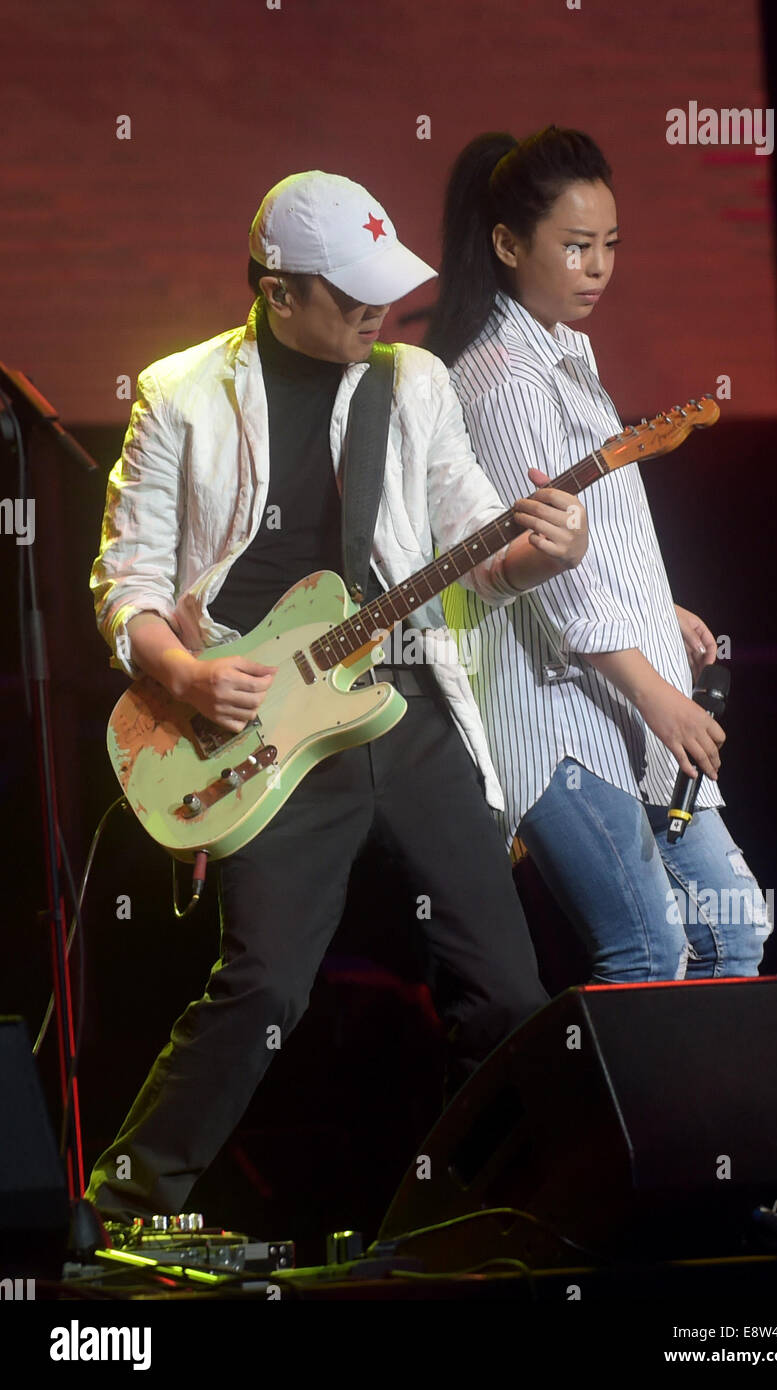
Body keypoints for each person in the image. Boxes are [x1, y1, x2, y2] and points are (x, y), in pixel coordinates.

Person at [86, 169, 589, 1223]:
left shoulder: (413, 383)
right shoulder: (178, 392)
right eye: (351, 293)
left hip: (403, 704)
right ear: (278, 290)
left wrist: (540, 557)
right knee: (265, 985)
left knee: (507, 991)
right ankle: (126, 1204)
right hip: (262, 721)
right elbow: (125, 584)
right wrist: (185, 675)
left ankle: (475, 1212)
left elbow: (472, 547)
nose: (378, 311)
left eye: (383, 289)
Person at [426, 128, 772, 984]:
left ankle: (701, 1123)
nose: (596, 268)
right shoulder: (503, 376)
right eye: (574, 247)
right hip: (562, 715)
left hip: (621, 694)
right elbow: (548, 570)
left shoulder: (564, 350)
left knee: (733, 936)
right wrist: (659, 696)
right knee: (649, 950)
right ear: (507, 245)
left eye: (608, 246)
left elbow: (598, 535)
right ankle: (625, 1124)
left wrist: (664, 614)